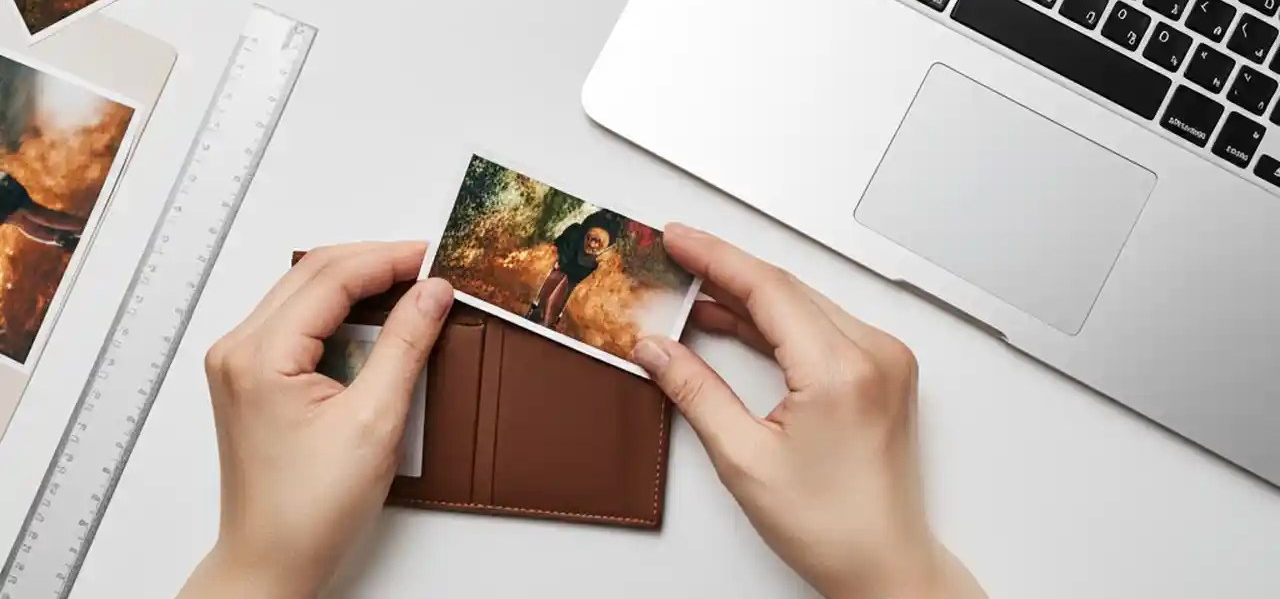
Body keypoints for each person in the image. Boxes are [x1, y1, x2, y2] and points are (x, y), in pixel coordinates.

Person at [179, 225, 987, 598]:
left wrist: (254, 570)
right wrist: (901, 577)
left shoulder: (590, 260)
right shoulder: (567, 249)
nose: (599, 250)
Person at [525, 210, 622, 328]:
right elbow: (553, 250)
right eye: (591, 239)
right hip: (556, 273)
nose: (592, 245)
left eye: (598, 243)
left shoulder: (607, 263)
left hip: (575, 290)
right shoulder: (573, 234)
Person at [0, 172, 85, 249]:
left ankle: (83, 225)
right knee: (24, 222)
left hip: (7, 192)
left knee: (39, 216)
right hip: (6, 201)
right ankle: (63, 237)